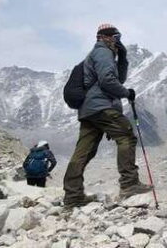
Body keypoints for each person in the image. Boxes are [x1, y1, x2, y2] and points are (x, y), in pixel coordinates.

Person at [63, 24, 151, 207]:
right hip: (102, 105)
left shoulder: (98, 54)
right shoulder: (103, 53)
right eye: (117, 37)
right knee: (126, 136)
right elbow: (108, 81)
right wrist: (127, 93)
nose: (118, 41)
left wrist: (123, 58)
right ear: (108, 38)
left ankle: (73, 196)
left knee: (84, 151)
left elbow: (118, 77)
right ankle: (129, 184)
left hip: (89, 110)